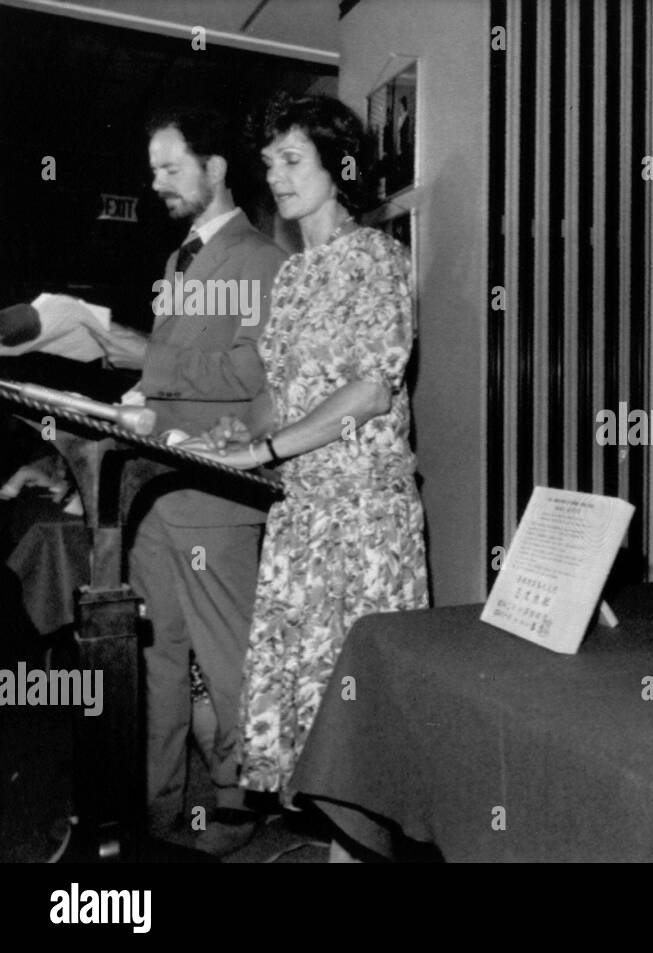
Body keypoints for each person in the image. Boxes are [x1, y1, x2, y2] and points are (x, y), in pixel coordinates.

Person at [187, 95, 429, 822]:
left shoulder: (380, 261)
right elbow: (279, 396)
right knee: (313, 710)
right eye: (270, 163)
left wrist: (267, 447)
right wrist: (238, 437)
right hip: (303, 516)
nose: (277, 176)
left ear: (339, 167)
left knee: (359, 715)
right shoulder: (291, 277)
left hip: (363, 519)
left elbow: (367, 391)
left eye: (293, 159)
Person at [89, 107, 285, 855]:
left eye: (171, 167)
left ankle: (240, 803)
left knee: (228, 658)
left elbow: (251, 372)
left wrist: (152, 362)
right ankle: (157, 804)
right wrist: (136, 391)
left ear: (216, 169)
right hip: (153, 493)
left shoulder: (261, 259)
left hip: (213, 496)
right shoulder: (179, 263)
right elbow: (175, 376)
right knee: (156, 656)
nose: (157, 181)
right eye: (153, 169)